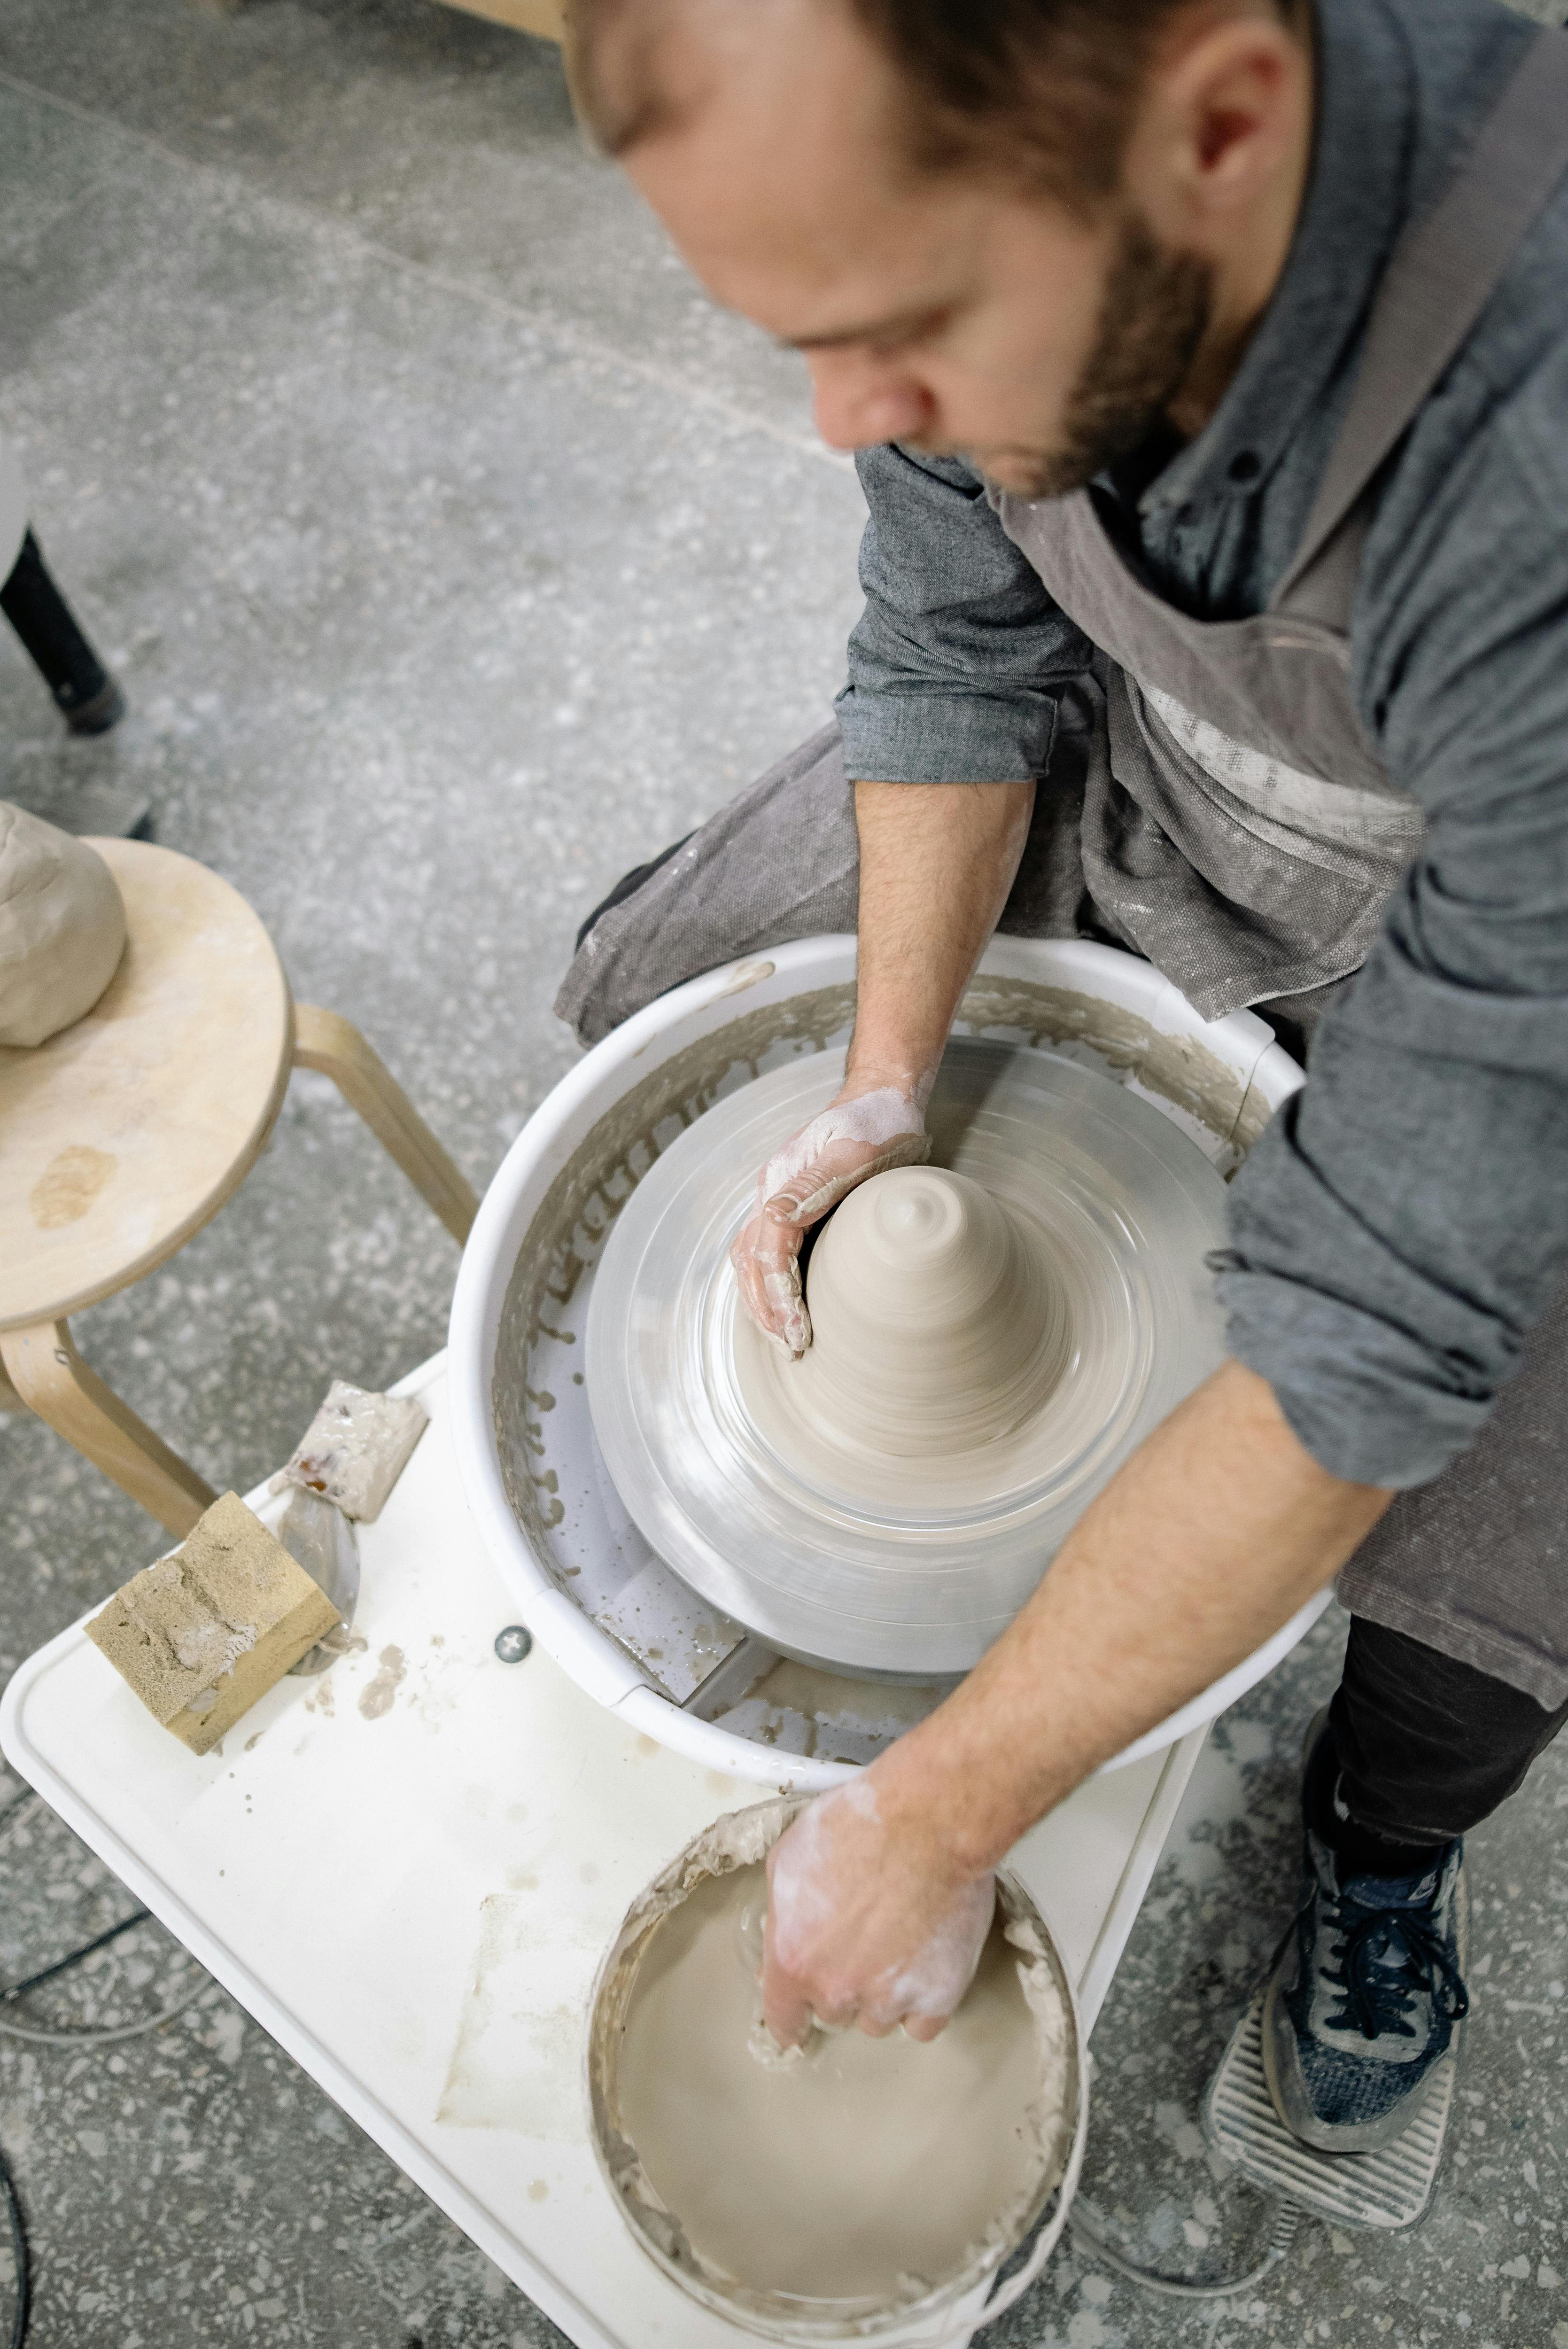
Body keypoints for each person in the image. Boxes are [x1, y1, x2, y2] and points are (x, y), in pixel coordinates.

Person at [556, 0, 1568, 2154]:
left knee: (1500, 1556)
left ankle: (1380, 1845)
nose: (852, 414)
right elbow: (950, 640)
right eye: (799, 337)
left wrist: (932, 1815)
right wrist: (885, 1079)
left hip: (1513, 949)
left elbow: (1374, 1313)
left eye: (904, 325)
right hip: (1181, 782)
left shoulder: (1537, 476)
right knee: (657, 983)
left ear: (1221, 121)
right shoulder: (1022, 234)